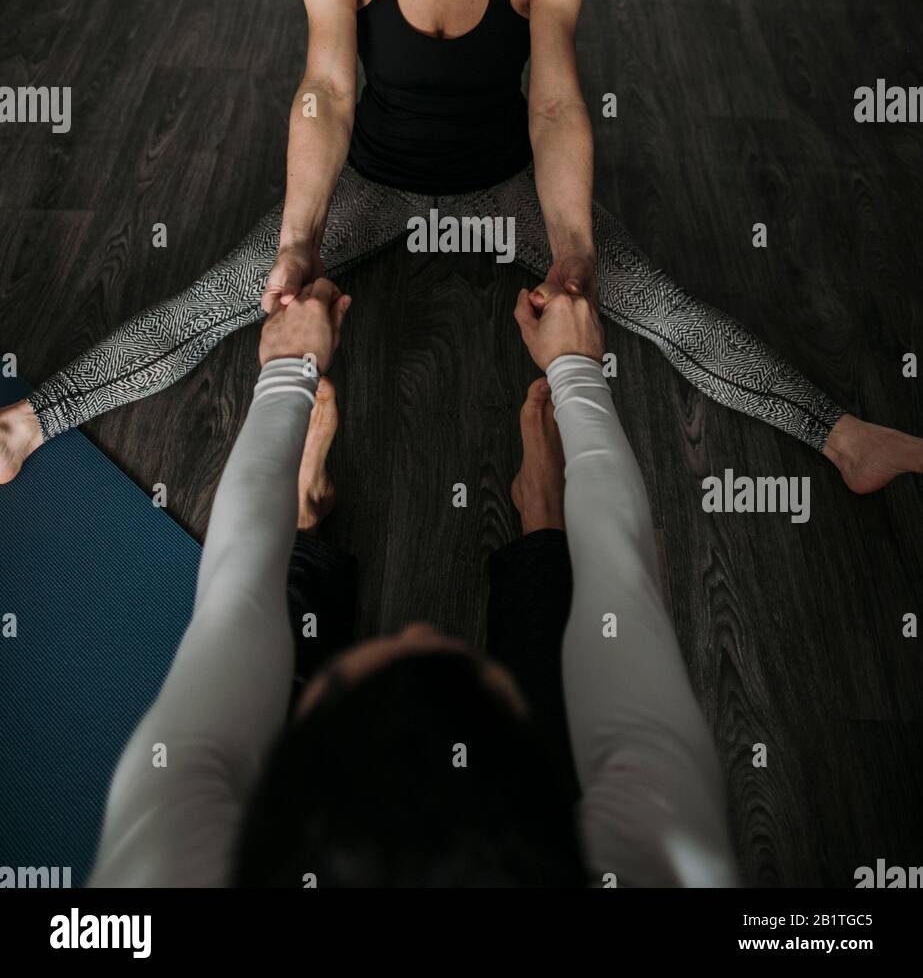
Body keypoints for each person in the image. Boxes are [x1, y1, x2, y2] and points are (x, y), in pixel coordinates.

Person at [2, 0, 920, 497]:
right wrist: (298, 240)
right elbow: (325, 90)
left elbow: (556, 109)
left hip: (500, 185)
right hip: (376, 182)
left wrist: (570, 246)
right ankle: (23, 427)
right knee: (226, 294)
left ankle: (843, 440)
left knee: (656, 303)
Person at [87, 277, 740, 888]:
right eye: (479, 679)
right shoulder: (667, 861)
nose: (422, 629)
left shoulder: (162, 869)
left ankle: (305, 520)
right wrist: (574, 366)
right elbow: (619, 574)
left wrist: (290, 368)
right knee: (562, 673)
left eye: (338, 686)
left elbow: (238, 588)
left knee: (273, 619)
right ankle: (540, 518)